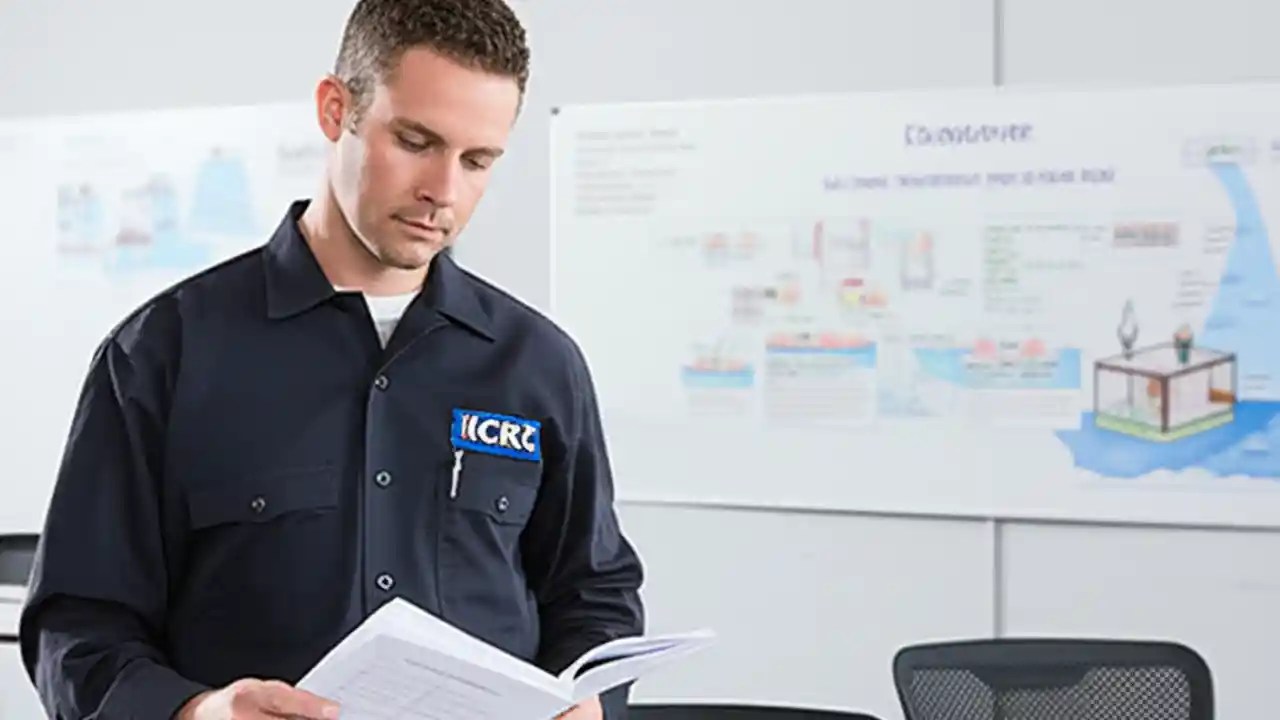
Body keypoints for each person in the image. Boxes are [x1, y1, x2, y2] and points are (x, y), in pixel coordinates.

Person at [18, 0, 646, 718]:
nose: (444, 191)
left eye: (477, 160)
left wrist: (589, 700)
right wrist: (195, 713)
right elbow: (76, 629)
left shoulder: (539, 365)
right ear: (334, 108)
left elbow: (593, 596)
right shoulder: (162, 354)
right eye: (415, 140)